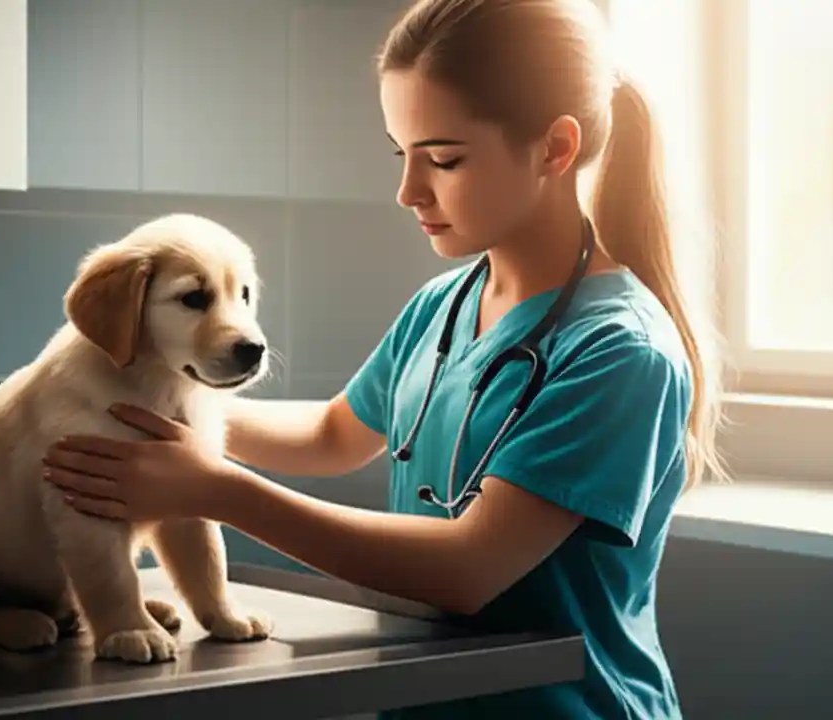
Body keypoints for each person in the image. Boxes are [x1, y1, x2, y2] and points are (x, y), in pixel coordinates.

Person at [41, 0, 726, 716]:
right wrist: (150, 409)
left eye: (445, 159)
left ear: (554, 149)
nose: (408, 192)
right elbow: (335, 435)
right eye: (402, 156)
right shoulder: (444, 304)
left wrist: (215, 489)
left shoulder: (619, 352)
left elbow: (469, 568)